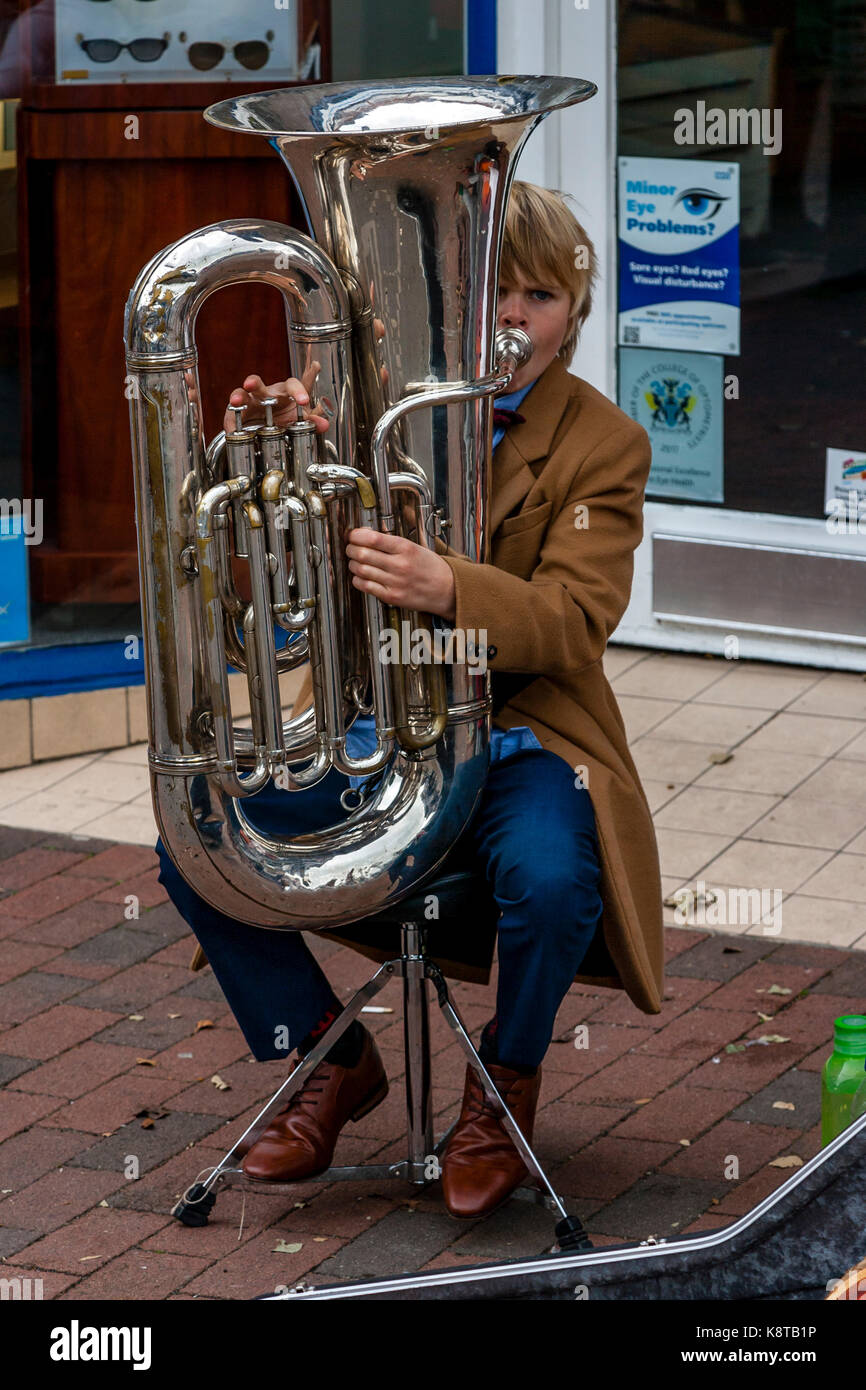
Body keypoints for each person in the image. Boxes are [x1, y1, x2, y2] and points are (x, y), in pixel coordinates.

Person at [156, 181, 664, 1220]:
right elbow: (266, 597)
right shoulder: (354, 409)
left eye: (540, 295)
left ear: (574, 311)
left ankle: (501, 1088)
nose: (515, 317)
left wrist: (449, 588)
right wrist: (260, 471)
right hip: (375, 731)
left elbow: (574, 621)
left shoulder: (601, 444)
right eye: (493, 295)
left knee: (552, 875)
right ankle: (328, 1060)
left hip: (523, 736)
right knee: (196, 838)